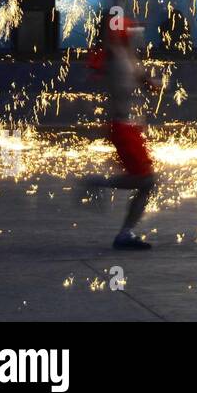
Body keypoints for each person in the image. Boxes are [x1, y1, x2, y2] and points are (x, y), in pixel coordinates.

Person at [77, 19, 159, 250]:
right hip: (124, 128)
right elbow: (99, 63)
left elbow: (143, 79)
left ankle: (125, 232)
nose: (133, 34)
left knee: (146, 182)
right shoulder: (114, 54)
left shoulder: (127, 55)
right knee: (146, 181)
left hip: (130, 127)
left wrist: (153, 83)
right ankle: (99, 185)